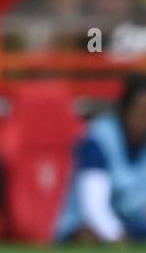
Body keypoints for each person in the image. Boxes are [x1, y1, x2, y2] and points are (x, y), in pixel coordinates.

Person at [54, 76, 146, 243]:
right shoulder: (98, 140)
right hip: (88, 230)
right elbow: (94, 209)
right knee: (88, 238)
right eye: (141, 111)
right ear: (125, 110)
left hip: (132, 229)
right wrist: (120, 238)